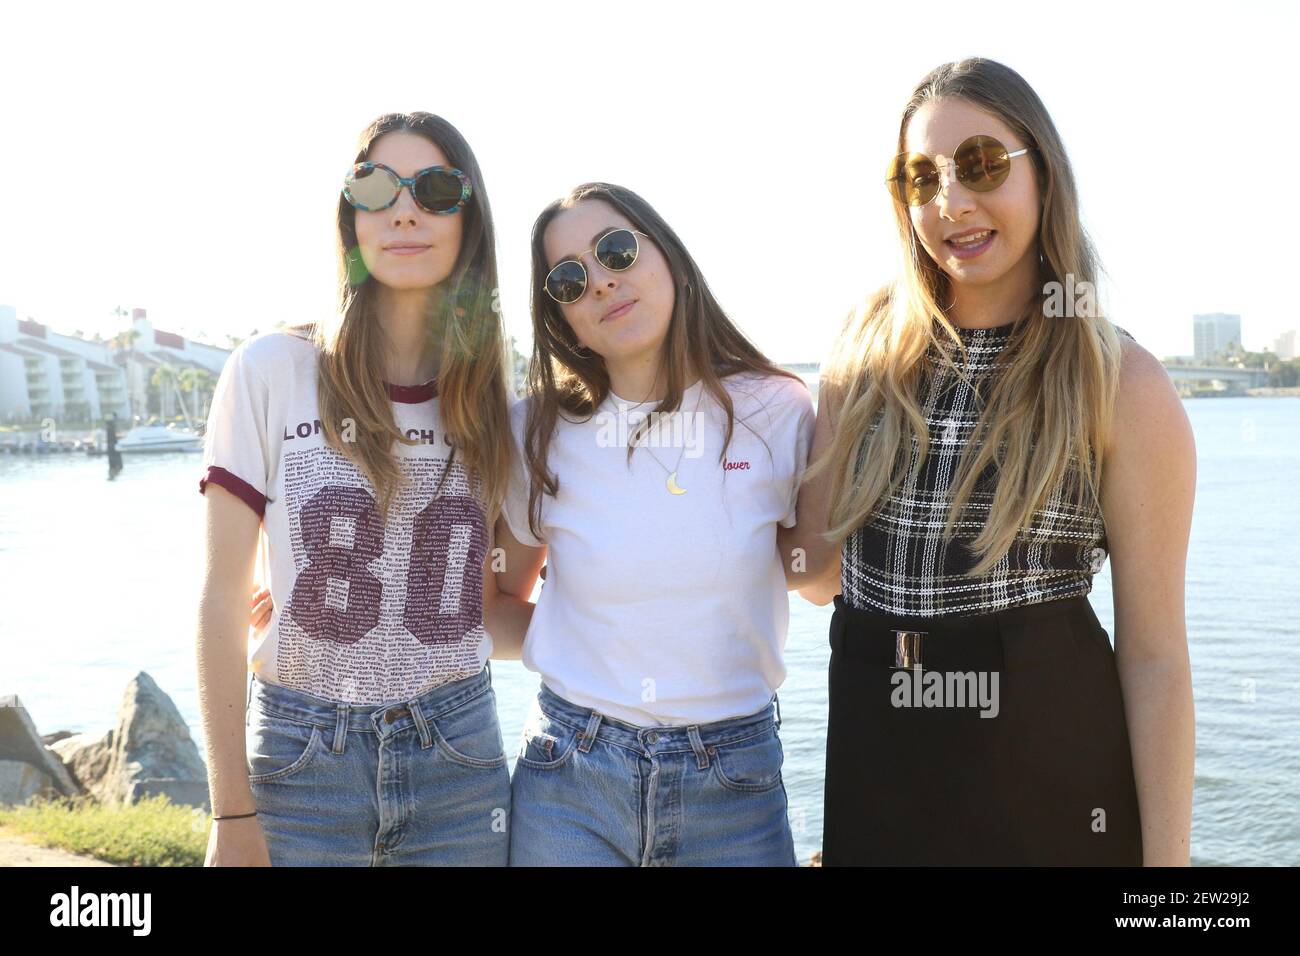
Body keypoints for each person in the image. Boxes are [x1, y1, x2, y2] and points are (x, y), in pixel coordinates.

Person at [786, 58, 1196, 865]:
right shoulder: (862, 356)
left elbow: (1153, 658)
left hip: (1050, 781)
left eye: (979, 164)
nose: (951, 202)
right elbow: (816, 569)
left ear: (1042, 170)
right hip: (879, 757)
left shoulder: (1116, 381)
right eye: (921, 176)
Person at [197, 111, 529, 866]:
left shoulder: (495, 410)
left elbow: (484, 611)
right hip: (299, 760)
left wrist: (639, 645)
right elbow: (221, 597)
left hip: (460, 762)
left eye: (437, 189)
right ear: (350, 217)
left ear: (469, 220)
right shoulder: (271, 371)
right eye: (375, 187)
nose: (404, 209)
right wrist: (228, 813)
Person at [493, 182, 815, 866]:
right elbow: (495, 604)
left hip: (732, 777)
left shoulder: (779, 410)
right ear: (562, 319)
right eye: (570, 280)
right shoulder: (535, 431)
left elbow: (818, 578)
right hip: (568, 775)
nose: (602, 282)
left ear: (666, 254)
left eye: (616, 251)